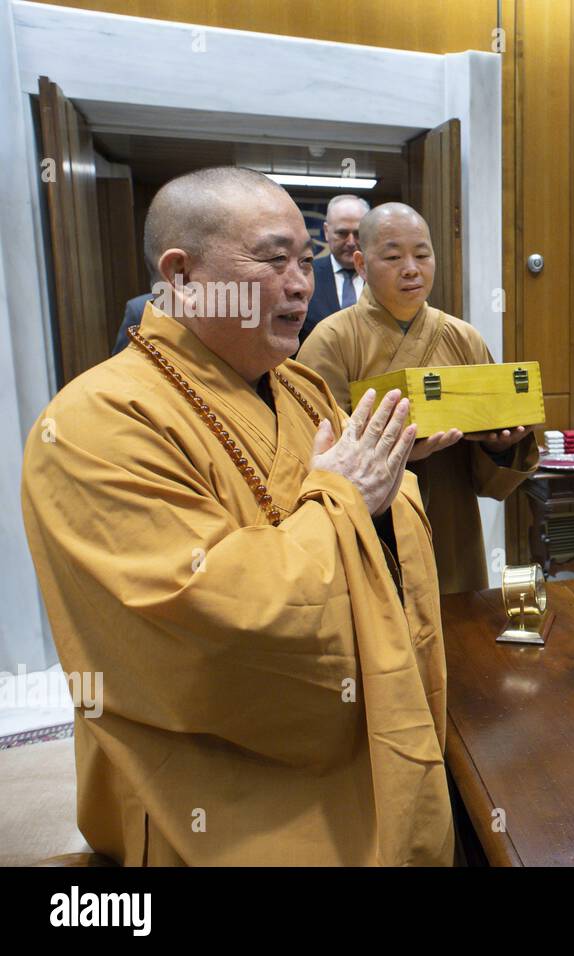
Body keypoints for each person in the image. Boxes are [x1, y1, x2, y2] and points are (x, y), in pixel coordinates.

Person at [21, 167, 453, 866]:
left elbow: (374, 503)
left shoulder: (303, 388)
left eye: (305, 259)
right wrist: (344, 497)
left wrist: (391, 472)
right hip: (219, 789)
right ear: (182, 273)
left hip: (364, 729)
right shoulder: (93, 420)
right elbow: (206, 610)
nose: (299, 282)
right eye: (272, 257)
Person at [297, 202, 537, 594]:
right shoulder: (331, 339)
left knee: (460, 638)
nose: (411, 268)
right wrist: (397, 456)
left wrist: (500, 447)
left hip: (450, 518)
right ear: (361, 263)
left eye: (422, 254)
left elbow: (491, 450)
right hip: (372, 528)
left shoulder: (463, 337)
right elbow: (311, 454)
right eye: (392, 256)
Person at [301, 194, 370, 347]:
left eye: (358, 234)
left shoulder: (382, 279)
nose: (351, 242)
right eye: (342, 233)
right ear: (326, 231)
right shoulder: (304, 276)